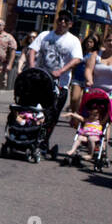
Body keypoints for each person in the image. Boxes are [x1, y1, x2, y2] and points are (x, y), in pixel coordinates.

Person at [26, 10, 84, 148]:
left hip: (59, 84)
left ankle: (44, 141)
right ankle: (28, 135)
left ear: (70, 24)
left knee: (52, 114)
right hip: (40, 80)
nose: (62, 22)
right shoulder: (45, 35)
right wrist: (32, 66)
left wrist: (61, 71)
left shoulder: (73, 40)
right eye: (60, 19)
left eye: (66, 20)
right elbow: (32, 50)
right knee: (33, 110)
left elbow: (77, 59)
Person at [68, 31, 101, 114]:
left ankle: (76, 116)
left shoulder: (96, 54)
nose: (89, 44)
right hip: (77, 78)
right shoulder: (80, 51)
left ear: (95, 44)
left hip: (88, 80)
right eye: (88, 42)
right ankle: (73, 112)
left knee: (82, 100)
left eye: (91, 42)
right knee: (74, 98)